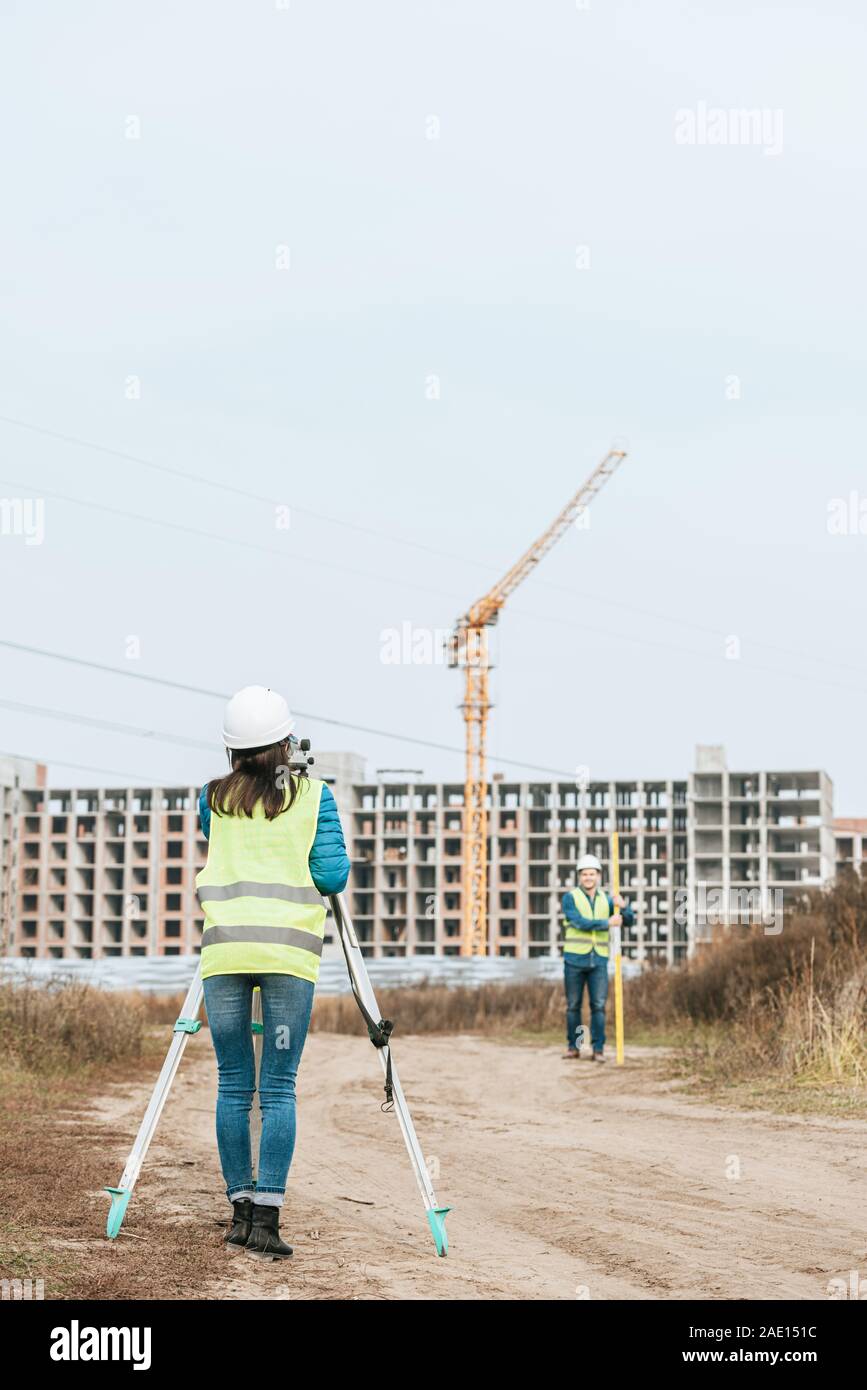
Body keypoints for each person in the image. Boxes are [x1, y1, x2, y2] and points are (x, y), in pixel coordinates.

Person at [196, 684, 350, 1260]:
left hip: (226, 953)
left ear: (232, 749)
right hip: (287, 955)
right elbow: (332, 877)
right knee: (278, 1086)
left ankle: (237, 1211)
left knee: (234, 1083)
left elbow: (224, 847)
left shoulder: (210, 798)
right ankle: (266, 1218)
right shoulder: (315, 797)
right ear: (286, 743)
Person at [561, 853, 634, 1063]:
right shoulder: (570, 898)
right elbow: (579, 922)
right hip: (574, 960)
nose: (588, 878)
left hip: (599, 960)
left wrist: (624, 905)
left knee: (598, 1006)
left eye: (592, 874)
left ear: (598, 876)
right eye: (585, 874)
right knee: (574, 1006)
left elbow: (627, 920)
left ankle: (598, 1049)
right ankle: (574, 1047)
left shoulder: (607, 900)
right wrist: (606, 923)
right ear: (579, 876)